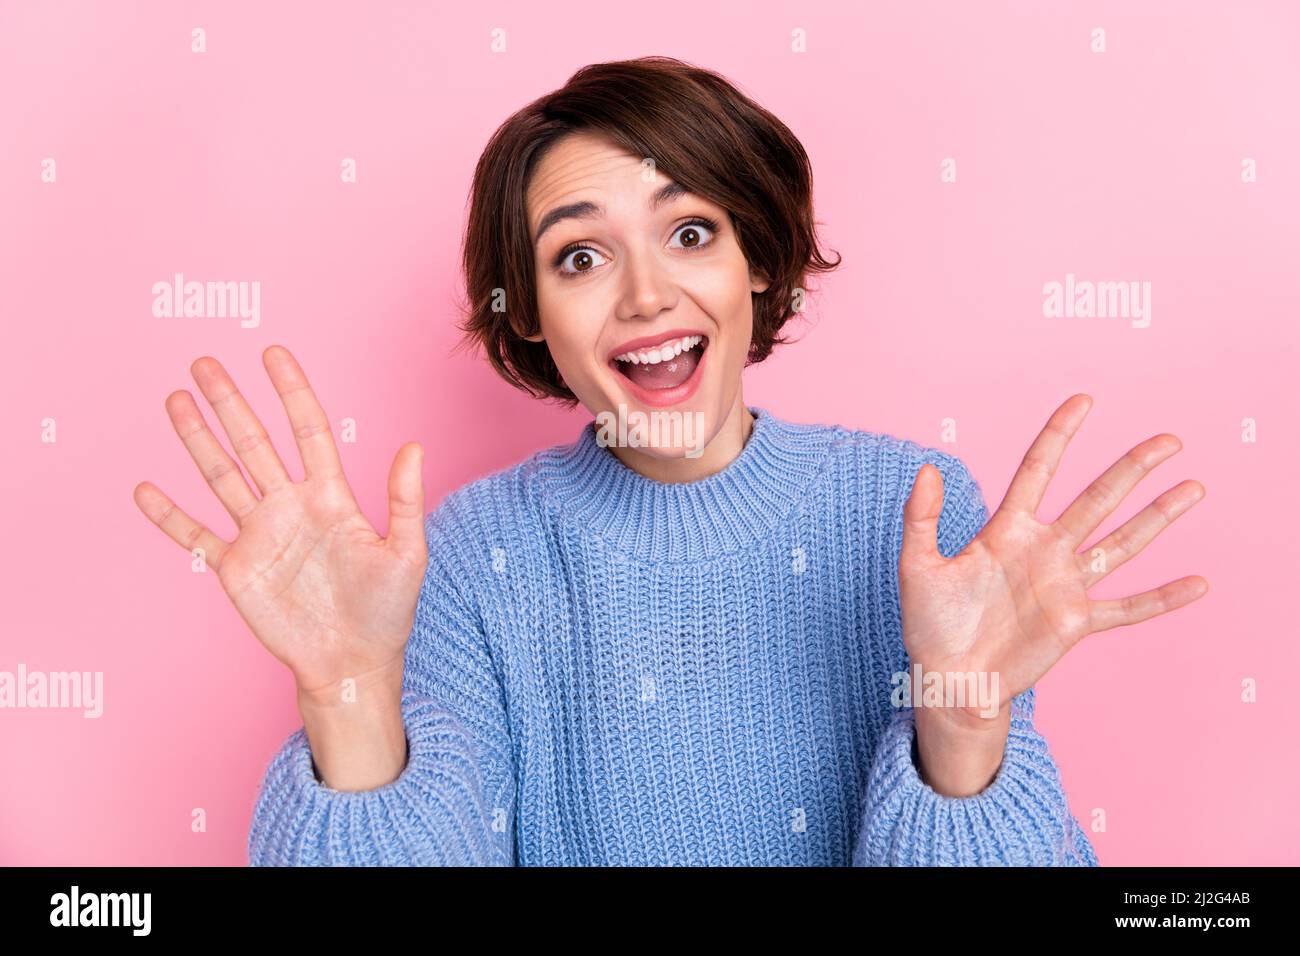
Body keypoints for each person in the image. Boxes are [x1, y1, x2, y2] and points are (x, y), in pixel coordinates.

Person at [133, 56, 1207, 866]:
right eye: (581, 255)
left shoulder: (907, 511)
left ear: (758, 266)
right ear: (534, 321)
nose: (645, 295)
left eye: (689, 233)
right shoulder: (464, 555)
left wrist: (963, 724)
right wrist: (348, 691)